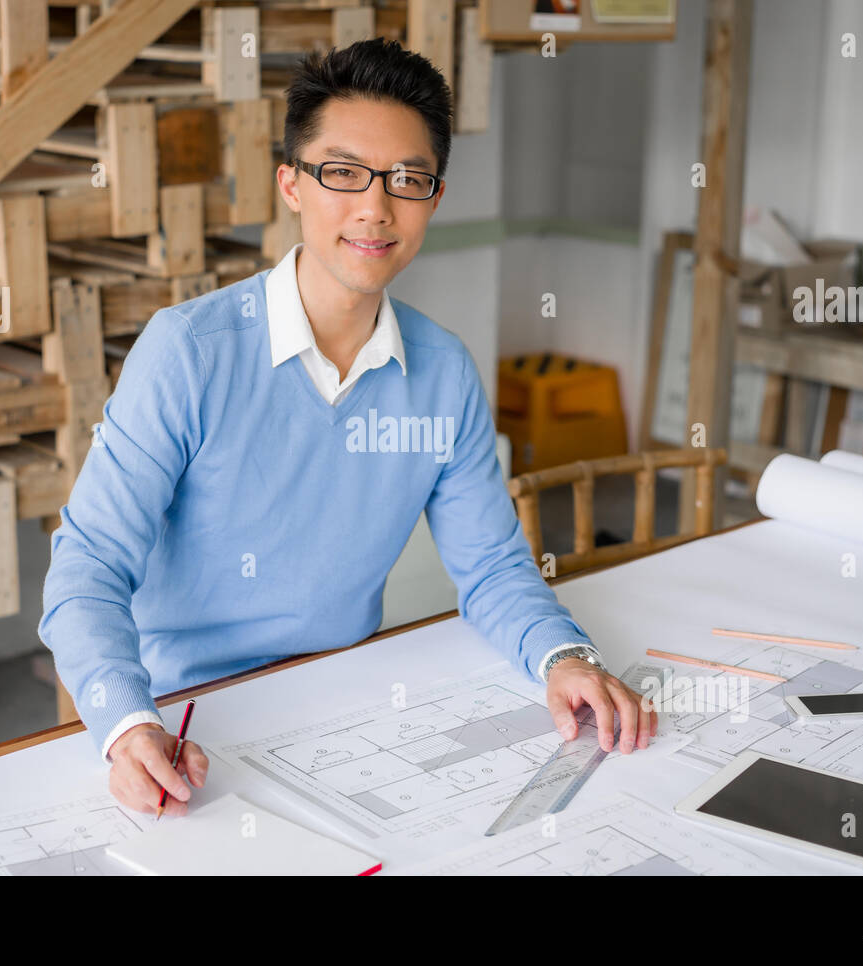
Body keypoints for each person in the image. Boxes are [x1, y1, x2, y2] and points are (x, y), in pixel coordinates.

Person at [39, 38, 656, 818]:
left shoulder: (442, 371)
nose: (375, 207)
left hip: (346, 699)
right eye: (342, 172)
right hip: (181, 711)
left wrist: (565, 657)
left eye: (407, 179)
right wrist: (128, 724)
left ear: (433, 198)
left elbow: (494, 568)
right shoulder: (188, 353)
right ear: (292, 185)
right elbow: (85, 568)